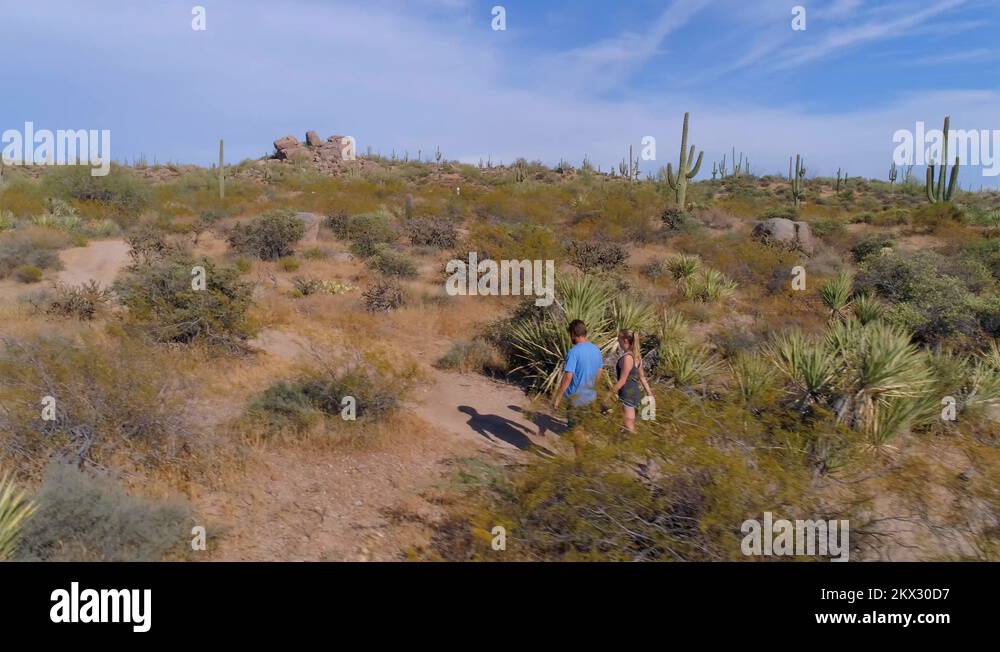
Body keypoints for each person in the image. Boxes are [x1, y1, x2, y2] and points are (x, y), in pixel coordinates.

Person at [552, 319, 604, 455]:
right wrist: (594, 389)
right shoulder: (596, 349)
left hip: (576, 398)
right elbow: (600, 372)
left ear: (574, 334)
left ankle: (580, 462)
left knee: (576, 430)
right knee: (583, 429)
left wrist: (558, 396)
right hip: (590, 396)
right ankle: (583, 458)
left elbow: (568, 376)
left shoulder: (573, 352)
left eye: (570, 335)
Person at [612, 329, 653, 433]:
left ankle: (635, 446)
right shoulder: (637, 357)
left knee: (629, 428)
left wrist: (609, 394)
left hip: (627, 394)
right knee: (625, 426)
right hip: (634, 394)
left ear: (625, 340)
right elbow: (642, 378)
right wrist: (650, 394)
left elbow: (622, 380)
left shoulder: (627, 358)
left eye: (619, 339)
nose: (618, 342)